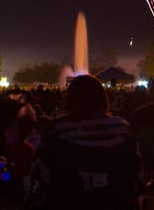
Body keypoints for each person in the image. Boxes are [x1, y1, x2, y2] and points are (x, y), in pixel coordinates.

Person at [28, 74, 140, 209]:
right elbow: (136, 173)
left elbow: (39, 171)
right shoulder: (123, 130)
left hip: (68, 200)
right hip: (115, 200)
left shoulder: (58, 129)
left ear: (70, 100)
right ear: (103, 99)